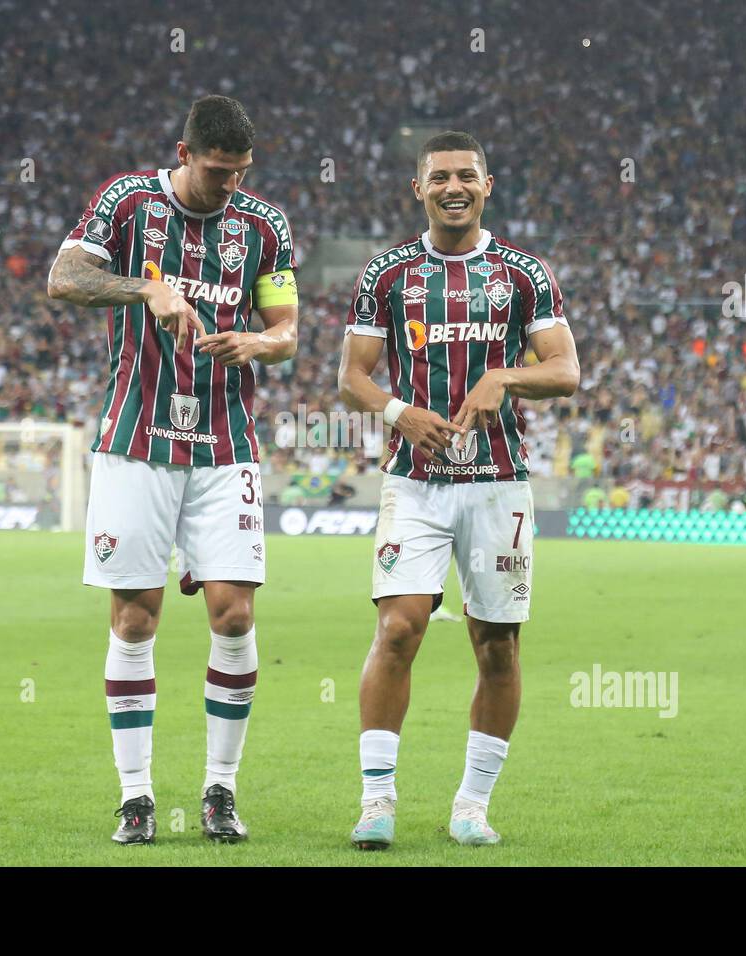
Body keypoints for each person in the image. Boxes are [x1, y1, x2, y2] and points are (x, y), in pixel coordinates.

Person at [47, 95, 298, 845]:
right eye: (218, 172)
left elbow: (286, 330)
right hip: (135, 443)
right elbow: (63, 278)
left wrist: (260, 344)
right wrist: (145, 287)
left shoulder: (265, 225)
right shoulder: (127, 202)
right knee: (135, 618)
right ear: (184, 154)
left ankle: (220, 790)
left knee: (235, 613)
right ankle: (136, 796)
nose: (229, 187)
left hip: (226, 445)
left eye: (240, 174)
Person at [338, 131, 579, 849]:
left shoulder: (523, 275)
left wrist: (504, 375)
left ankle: (472, 805)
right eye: (439, 176)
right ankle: (377, 799)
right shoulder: (388, 274)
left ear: (488, 185)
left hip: (498, 485)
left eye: (466, 176)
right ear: (419, 188)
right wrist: (396, 411)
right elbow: (351, 378)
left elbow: (565, 370)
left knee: (498, 647)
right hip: (413, 483)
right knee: (400, 627)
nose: (453, 186)